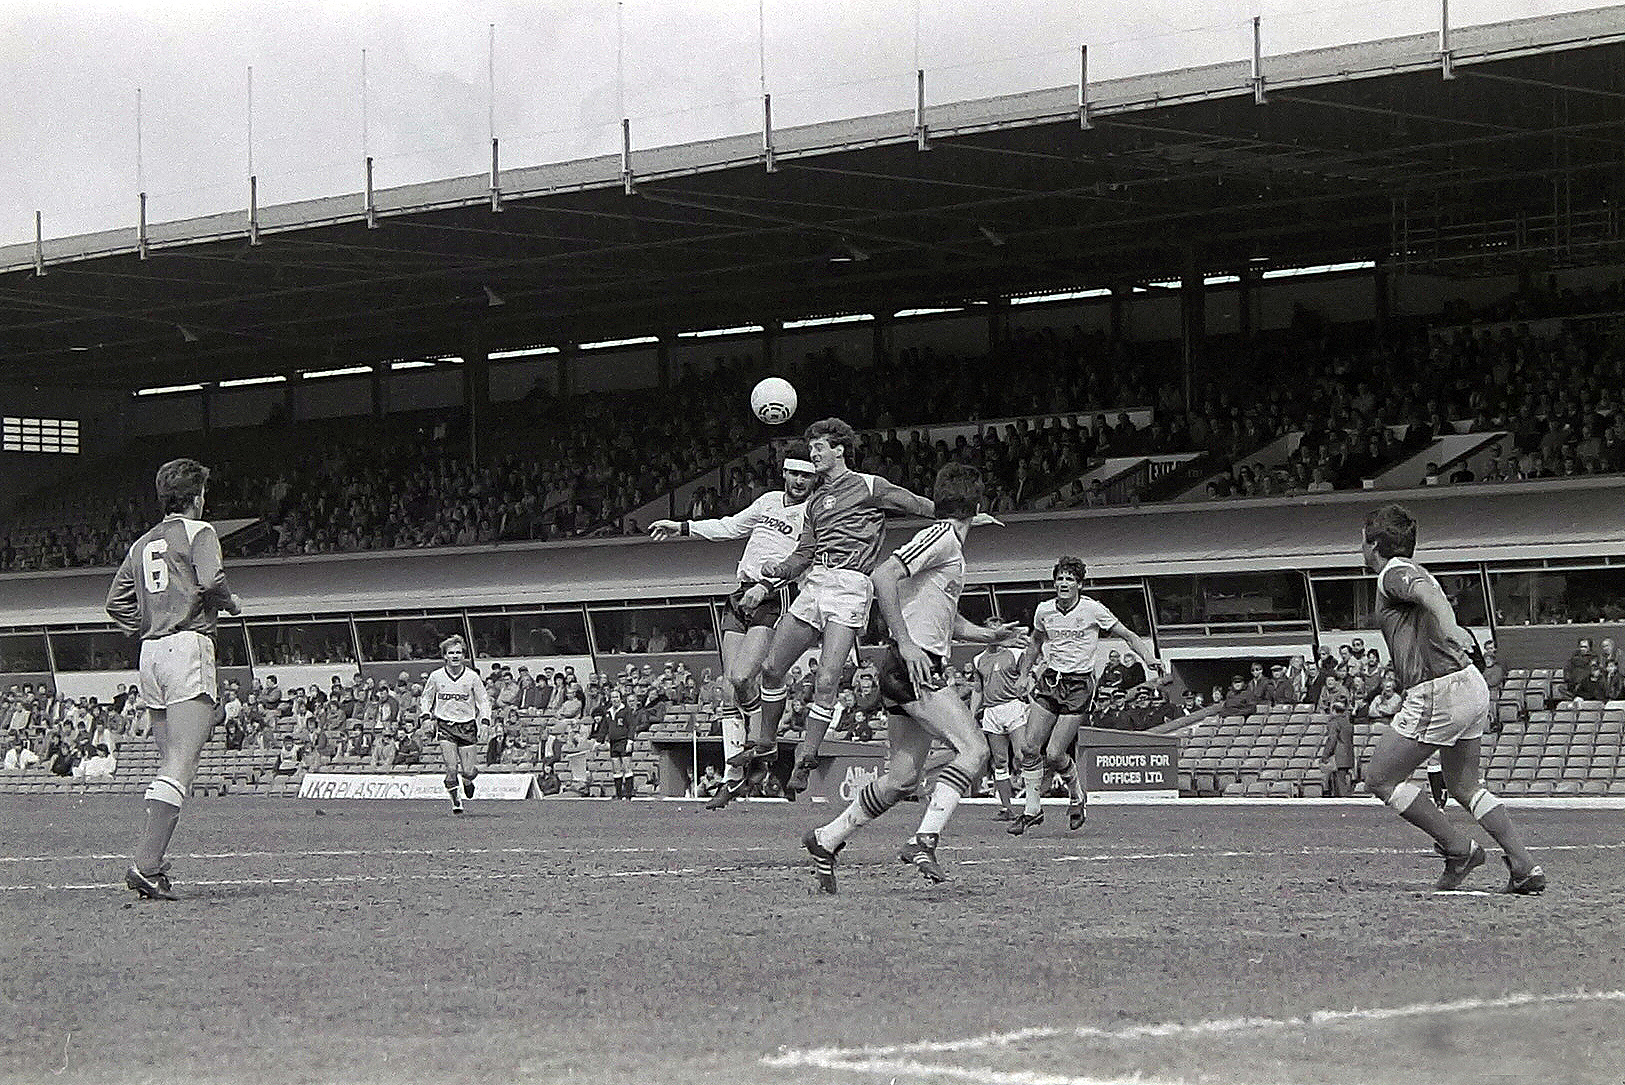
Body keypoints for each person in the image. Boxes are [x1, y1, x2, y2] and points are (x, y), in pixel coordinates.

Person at [802, 464, 1025, 892]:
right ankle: (924, 840)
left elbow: (943, 617)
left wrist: (987, 634)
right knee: (975, 750)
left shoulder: (950, 545)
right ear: (977, 506)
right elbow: (882, 575)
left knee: (902, 779)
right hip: (913, 664)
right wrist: (905, 643)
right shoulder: (942, 537)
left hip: (907, 664)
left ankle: (826, 839)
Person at [735, 418, 937, 797]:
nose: (814, 454)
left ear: (840, 449)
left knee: (827, 678)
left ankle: (806, 758)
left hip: (850, 585)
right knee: (771, 668)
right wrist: (779, 570)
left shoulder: (868, 485)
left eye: (820, 447)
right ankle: (765, 743)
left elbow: (917, 504)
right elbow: (804, 553)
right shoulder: (813, 503)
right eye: (811, 448)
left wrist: (959, 515)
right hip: (815, 584)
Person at [1358, 504, 1544, 893]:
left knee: (1380, 778)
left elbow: (1426, 595)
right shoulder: (1411, 570)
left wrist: (1452, 627)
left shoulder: (1393, 572)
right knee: (1464, 785)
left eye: (1363, 540)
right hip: (1468, 684)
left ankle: (1459, 849)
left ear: (1373, 543)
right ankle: (1524, 865)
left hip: (1437, 688)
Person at [647, 442, 818, 809]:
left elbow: (804, 561)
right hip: (741, 591)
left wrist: (766, 586)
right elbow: (729, 526)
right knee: (726, 689)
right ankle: (733, 777)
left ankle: (762, 746)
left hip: (773, 594)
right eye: (795, 473)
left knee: (743, 678)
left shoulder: (815, 511)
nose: (801, 480)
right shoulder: (769, 501)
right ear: (785, 472)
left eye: (808, 474)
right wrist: (681, 526)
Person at [104, 458, 244, 901]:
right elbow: (212, 579)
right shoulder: (200, 532)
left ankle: (153, 861)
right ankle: (145, 864)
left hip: (150, 654)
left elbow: (116, 602)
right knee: (182, 762)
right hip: (188, 646)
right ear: (198, 496)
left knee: (175, 762)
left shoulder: (142, 543)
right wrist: (232, 603)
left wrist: (148, 623)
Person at [1007, 556, 1163, 835]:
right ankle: (1032, 810)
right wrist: (1022, 675)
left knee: (1055, 754)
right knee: (1029, 748)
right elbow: (1034, 644)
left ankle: (1077, 796)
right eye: (1060, 578)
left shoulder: (1093, 610)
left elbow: (1127, 635)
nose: (1063, 583)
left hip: (1079, 686)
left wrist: (1148, 658)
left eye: (1069, 579)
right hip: (1051, 680)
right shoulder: (1044, 611)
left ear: (1079, 584)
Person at [419, 635, 491, 814]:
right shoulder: (436, 676)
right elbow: (426, 698)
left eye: (458, 652)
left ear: (463, 655)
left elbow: (483, 701)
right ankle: (456, 800)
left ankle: (467, 781)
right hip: (446, 726)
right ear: (445, 656)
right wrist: (426, 717)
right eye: (451, 653)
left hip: (467, 726)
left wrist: (485, 722)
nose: (455, 656)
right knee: (451, 768)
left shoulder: (471, 677)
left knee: (468, 770)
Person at [971, 639, 1026, 820]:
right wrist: (971, 716)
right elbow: (978, 689)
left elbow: (1028, 677)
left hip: (1013, 706)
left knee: (1022, 755)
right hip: (991, 711)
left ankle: (1033, 802)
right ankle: (1007, 808)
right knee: (1000, 761)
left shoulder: (1015, 654)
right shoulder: (978, 659)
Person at [1319, 699, 1356, 796]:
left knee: (1339, 786)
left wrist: (1325, 755)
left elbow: (1332, 739)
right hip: (1348, 755)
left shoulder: (1334, 722)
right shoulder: (1348, 723)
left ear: (1333, 710)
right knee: (1342, 782)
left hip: (1338, 755)